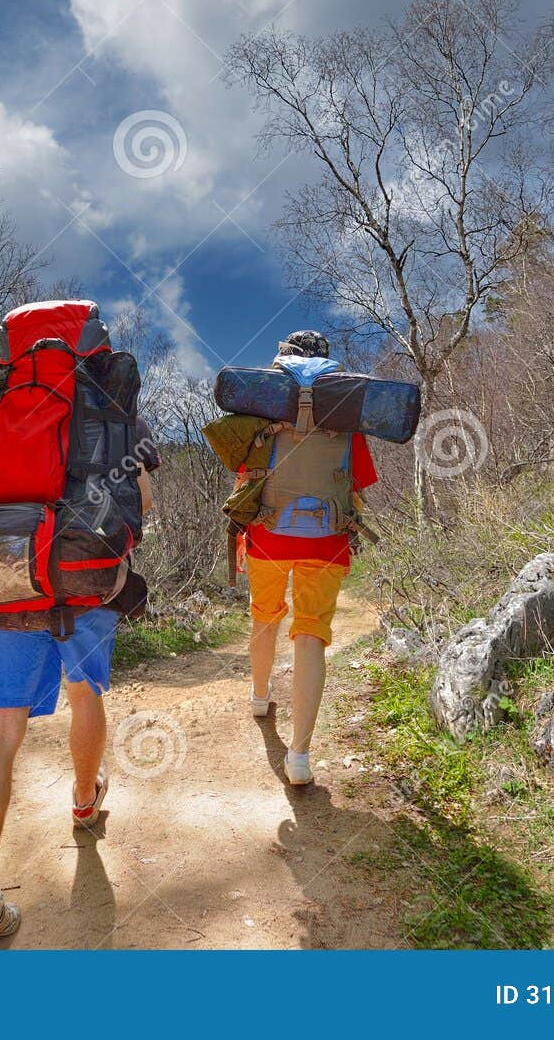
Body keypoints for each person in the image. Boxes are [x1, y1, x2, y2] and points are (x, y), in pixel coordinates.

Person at [0, 429, 160, 944]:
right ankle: (85, 801)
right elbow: (143, 506)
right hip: (83, 573)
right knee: (83, 692)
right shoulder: (110, 408)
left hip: (1, 574)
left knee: (3, 729)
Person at [238, 330, 376, 787]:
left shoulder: (263, 409)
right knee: (311, 634)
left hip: (268, 534)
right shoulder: (345, 417)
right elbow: (358, 484)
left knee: (265, 616)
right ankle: (299, 756)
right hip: (327, 540)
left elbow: (246, 478)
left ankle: (260, 697)